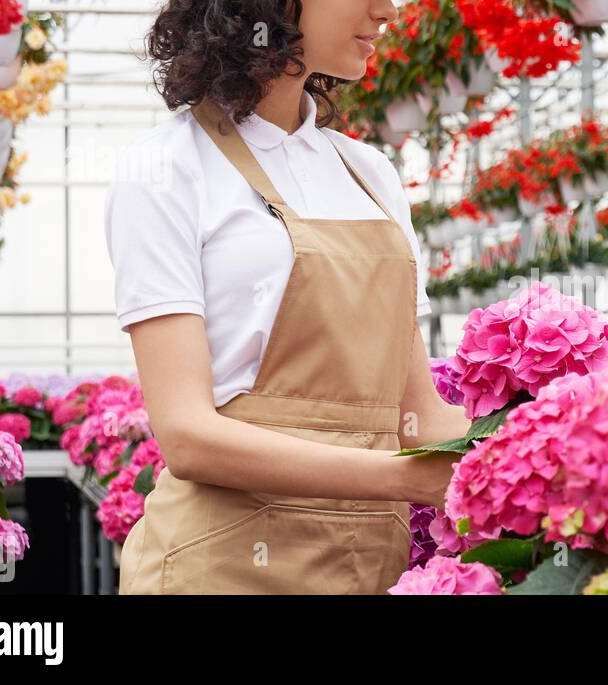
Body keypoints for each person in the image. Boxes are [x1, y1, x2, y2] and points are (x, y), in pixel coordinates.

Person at [104, 0, 469, 594]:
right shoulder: (165, 168)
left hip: (370, 567)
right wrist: (407, 480)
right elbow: (188, 437)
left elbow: (420, 419)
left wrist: (547, 447)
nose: (387, 11)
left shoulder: (370, 175)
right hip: (222, 567)